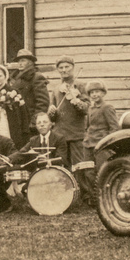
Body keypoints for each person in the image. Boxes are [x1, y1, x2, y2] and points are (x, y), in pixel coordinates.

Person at [47, 56, 94, 206]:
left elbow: (87, 109)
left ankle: (87, 197)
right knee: (63, 166)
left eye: (67, 67)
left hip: (76, 132)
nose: (64, 70)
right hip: (60, 134)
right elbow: (52, 115)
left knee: (79, 166)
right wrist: (51, 112)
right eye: (61, 68)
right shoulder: (55, 89)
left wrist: (76, 101)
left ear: (73, 67)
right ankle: (67, 198)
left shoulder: (80, 86)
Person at [0, 65, 29, 149]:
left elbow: (23, 112)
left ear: (5, 77)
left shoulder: (13, 92)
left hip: (11, 128)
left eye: (0, 76)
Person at [9, 49, 50, 135]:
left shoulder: (36, 77)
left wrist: (35, 121)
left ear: (31, 62)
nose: (20, 63)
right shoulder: (16, 78)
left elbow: (43, 102)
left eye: (23, 60)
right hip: (19, 121)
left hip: (30, 122)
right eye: (19, 61)